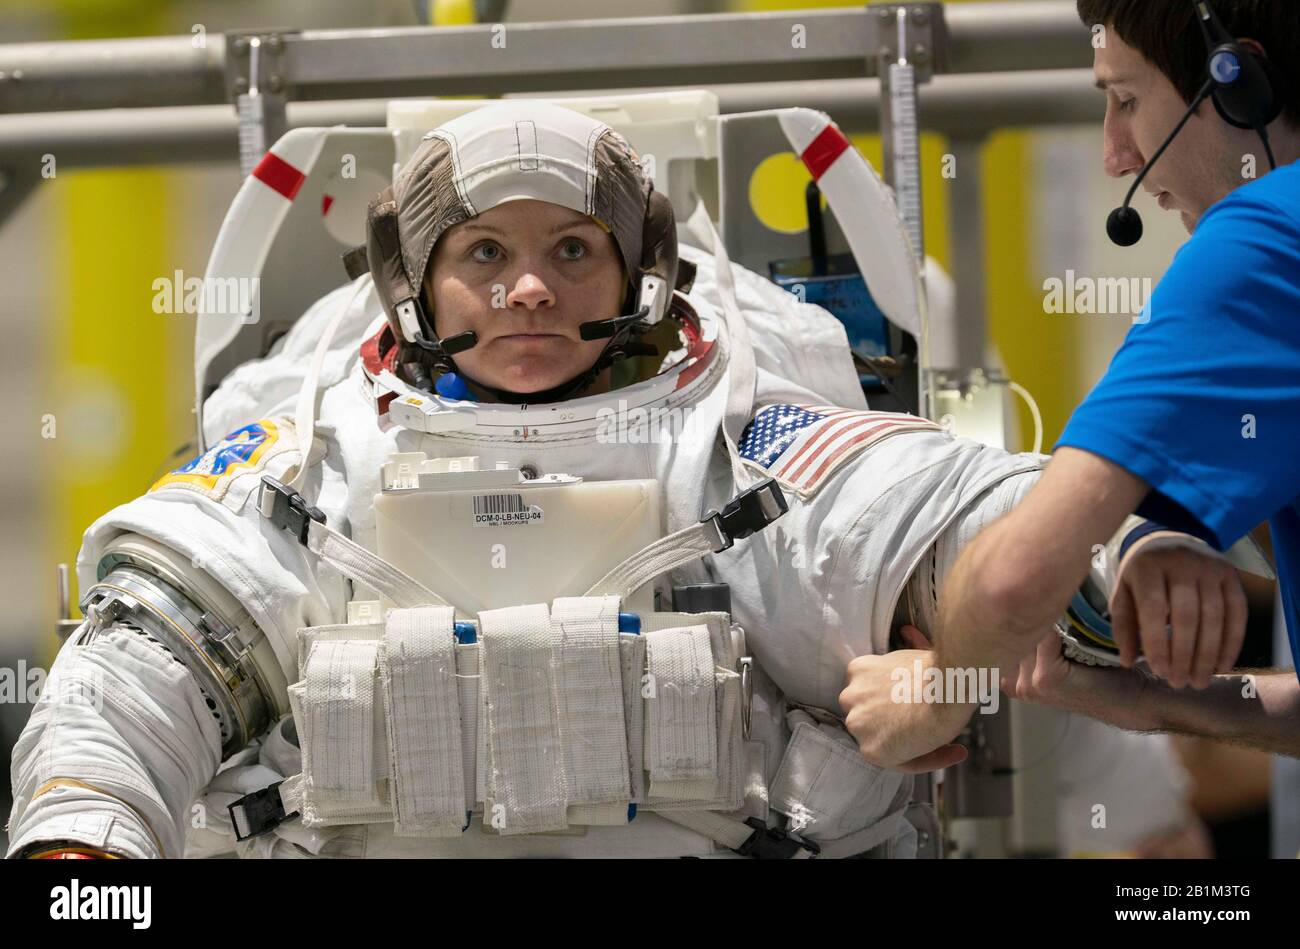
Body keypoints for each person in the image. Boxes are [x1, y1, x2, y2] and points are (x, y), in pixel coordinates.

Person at [7, 100, 1218, 860]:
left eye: (571, 251)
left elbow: (961, 524)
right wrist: (81, 852)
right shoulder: (312, 463)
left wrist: (1128, 567)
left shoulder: (747, 449)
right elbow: (134, 680)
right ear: (418, 290)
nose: (529, 289)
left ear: (640, 276)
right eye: (484, 253)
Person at [840, 0, 1300, 769]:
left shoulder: (1261, 245)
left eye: (1126, 101)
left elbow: (1013, 578)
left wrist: (931, 695)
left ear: (1237, 79)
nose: (1116, 156)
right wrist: (1142, 699)